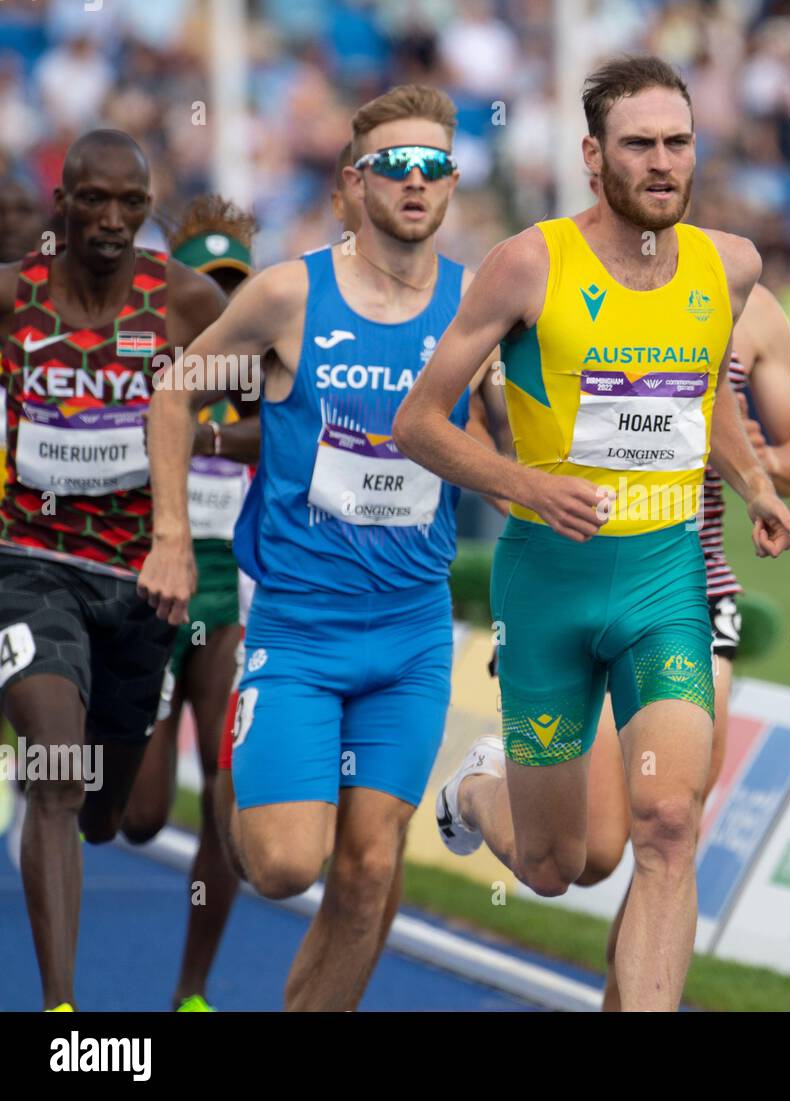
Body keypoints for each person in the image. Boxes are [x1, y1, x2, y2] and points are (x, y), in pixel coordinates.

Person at [393, 55, 790, 1011]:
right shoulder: (530, 263)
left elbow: (702, 397)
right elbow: (417, 422)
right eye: (639, 144)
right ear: (592, 155)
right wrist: (523, 482)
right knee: (554, 864)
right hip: (547, 581)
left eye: (678, 142)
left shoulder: (729, 264)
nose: (662, 163)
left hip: (666, 577)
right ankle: (474, 792)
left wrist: (751, 484)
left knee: (667, 824)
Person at [140, 85, 487, 1011]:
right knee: (285, 865)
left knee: (371, 868)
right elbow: (174, 392)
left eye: (435, 167)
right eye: (395, 167)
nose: (417, 184)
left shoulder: (476, 305)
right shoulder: (290, 295)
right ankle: (243, 771)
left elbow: (512, 452)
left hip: (413, 635)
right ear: (351, 183)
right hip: (300, 628)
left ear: (452, 184)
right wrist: (172, 534)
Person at [0, 130, 226, 1011]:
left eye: (131, 205)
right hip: (28, 564)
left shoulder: (187, 302)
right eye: (93, 200)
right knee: (55, 771)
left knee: (111, 814)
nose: (111, 220)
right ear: (63, 200)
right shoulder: (13, 296)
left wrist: (186, 434)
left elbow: (269, 406)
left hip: (142, 581)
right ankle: (63, 1016)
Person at [120, 195, 263, 1012]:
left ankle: (192, 992)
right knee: (138, 817)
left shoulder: (258, 356)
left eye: (234, 285)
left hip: (231, 581)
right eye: (210, 283)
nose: (222, 299)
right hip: (149, 572)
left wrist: (199, 433)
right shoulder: (143, 344)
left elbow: (280, 434)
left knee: (225, 794)